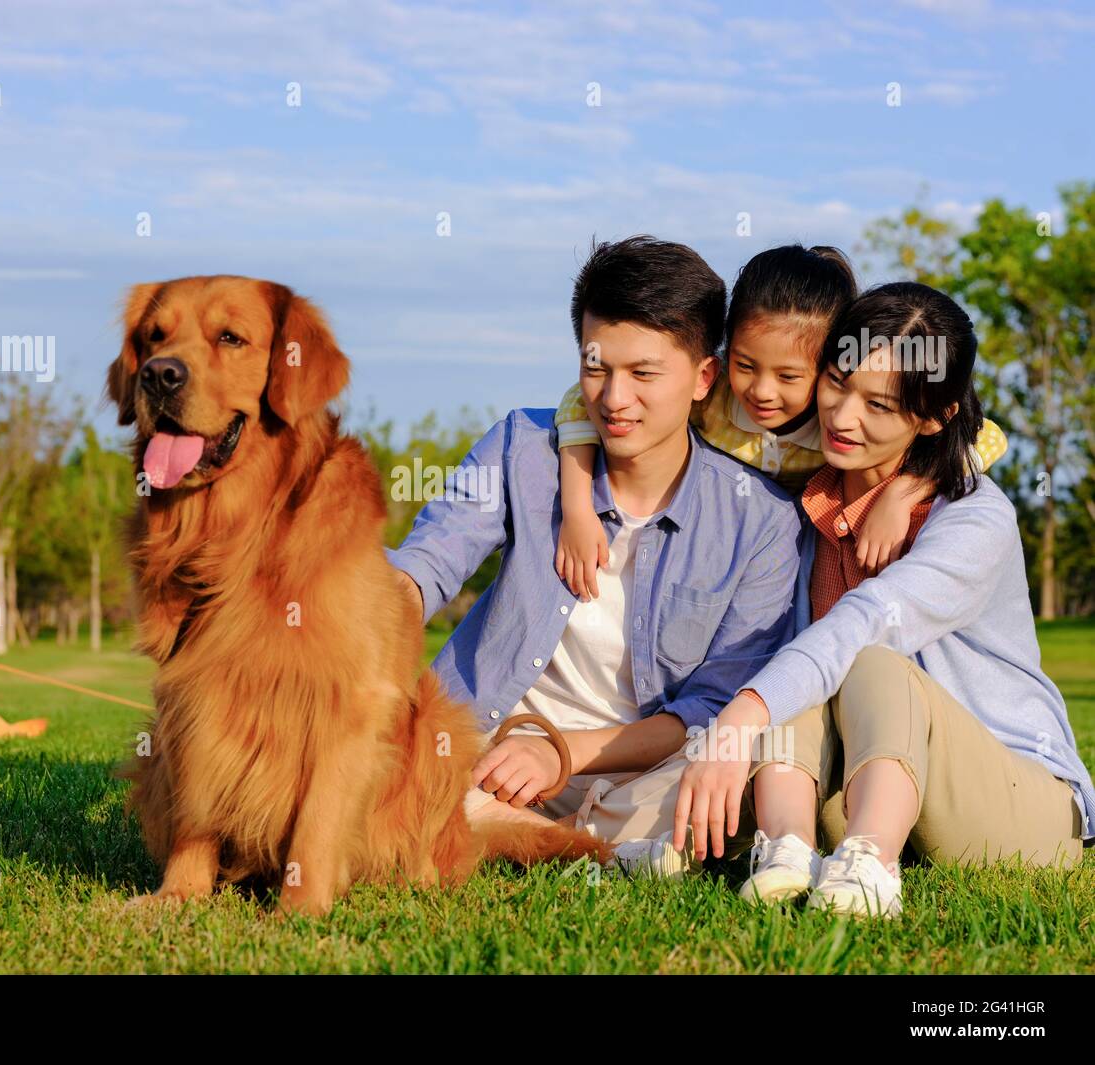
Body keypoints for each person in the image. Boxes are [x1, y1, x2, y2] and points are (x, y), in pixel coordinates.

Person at [676, 282, 1095, 917]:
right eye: (837, 384)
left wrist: (740, 719)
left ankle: (871, 865)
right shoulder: (810, 501)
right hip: (874, 778)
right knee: (796, 667)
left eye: (879, 404)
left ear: (933, 417)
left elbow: (869, 621)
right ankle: (786, 849)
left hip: (1021, 806)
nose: (843, 417)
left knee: (859, 653)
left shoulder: (974, 517)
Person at [386, 236, 800, 874]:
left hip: (641, 770)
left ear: (704, 377)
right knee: (385, 760)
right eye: (597, 367)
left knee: (730, 777)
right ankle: (555, 839)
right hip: (484, 747)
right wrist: (369, 605)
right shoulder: (523, 447)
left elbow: (714, 705)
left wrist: (561, 754)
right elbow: (430, 560)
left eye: (643, 374)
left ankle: (539, 837)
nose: (613, 399)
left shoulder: (761, 520)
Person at [553, 245, 1009, 601]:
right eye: (745, 365)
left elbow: (987, 437)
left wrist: (903, 491)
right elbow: (582, 400)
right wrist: (577, 509)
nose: (762, 392)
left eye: (790, 376)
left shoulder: (835, 423)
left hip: (793, 556)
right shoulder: (711, 398)